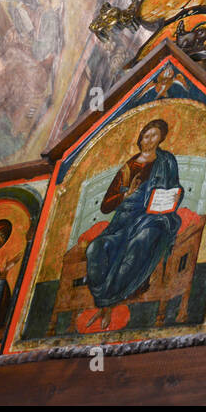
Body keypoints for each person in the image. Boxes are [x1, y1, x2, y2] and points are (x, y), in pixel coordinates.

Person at [83, 119, 183, 329]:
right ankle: (105, 300)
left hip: (154, 218)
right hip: (124, 221)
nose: (149, 139)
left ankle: (109, 301)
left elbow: (174, 188)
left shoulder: (167, 161)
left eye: (154, 135)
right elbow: (106, 206)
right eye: (146, 135)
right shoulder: (129, 167)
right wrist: (125, 195)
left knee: (140, 240)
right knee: (96, 248)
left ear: (161, 138)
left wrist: (173, 198)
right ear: (140, 139)